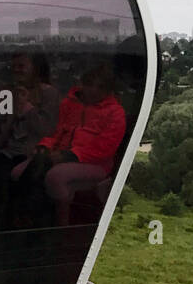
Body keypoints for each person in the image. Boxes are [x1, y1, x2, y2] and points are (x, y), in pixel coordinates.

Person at [10, 63, 126, 226]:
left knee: (53, 175)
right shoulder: (69, 104)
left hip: (94, 162)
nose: (93, 90)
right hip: (58, 154)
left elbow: (105, 148)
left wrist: (70, 155)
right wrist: (44, 146)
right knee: (18, 171)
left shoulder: (115, 113)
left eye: (100, 87)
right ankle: (33, 218)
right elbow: (55, 133)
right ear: (82, 83)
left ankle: (32, 218)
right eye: (89, 84)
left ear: (108, 91)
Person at [0, 49, 59, 225]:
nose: (17, 70)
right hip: (6, 150)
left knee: (5, 183)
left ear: (35, 68)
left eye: (21, 66)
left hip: (29, 153)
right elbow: (1, 124)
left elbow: (47, 129)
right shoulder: (7, 93)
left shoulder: (48, 93)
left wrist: (28, 109)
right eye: (14, 66)